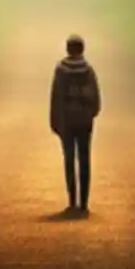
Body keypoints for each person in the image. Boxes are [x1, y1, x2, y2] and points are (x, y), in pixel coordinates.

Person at [49, 34, 101, 216]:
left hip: (67, 121)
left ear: (67, 49)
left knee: (69, 158)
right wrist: (91, 114)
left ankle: (72, 201)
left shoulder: (61, 70)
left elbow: (55, 97)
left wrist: (55, 121)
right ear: (82, 49)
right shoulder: (88, 70)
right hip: (84, 120)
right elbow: (96, 97)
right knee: (85, 158)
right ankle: (84, 204)